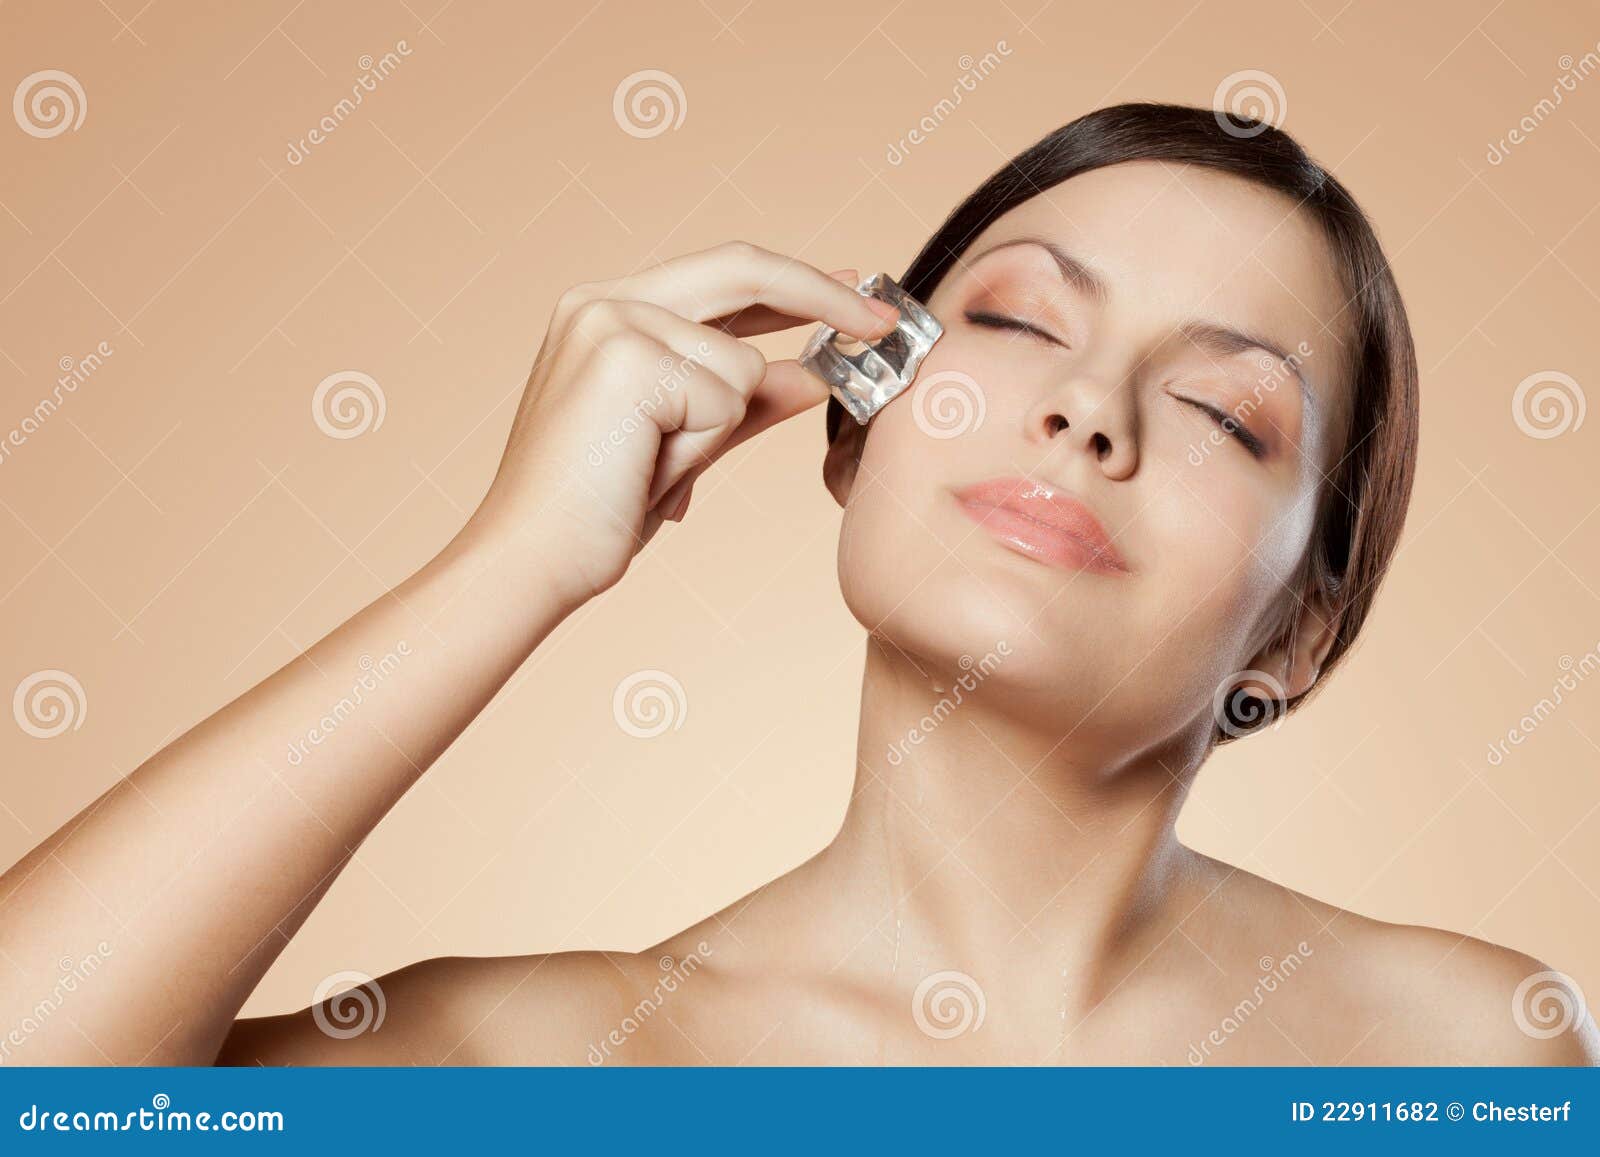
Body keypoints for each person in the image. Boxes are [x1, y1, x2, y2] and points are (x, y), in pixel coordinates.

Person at [3, 103, 1594, 1066]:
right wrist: (512, 563)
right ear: (856, 428)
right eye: (1022, 322)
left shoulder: (1466, 1047)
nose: (1084, 410)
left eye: (1222, 410)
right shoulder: (538, 1065)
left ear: (1301, 631)